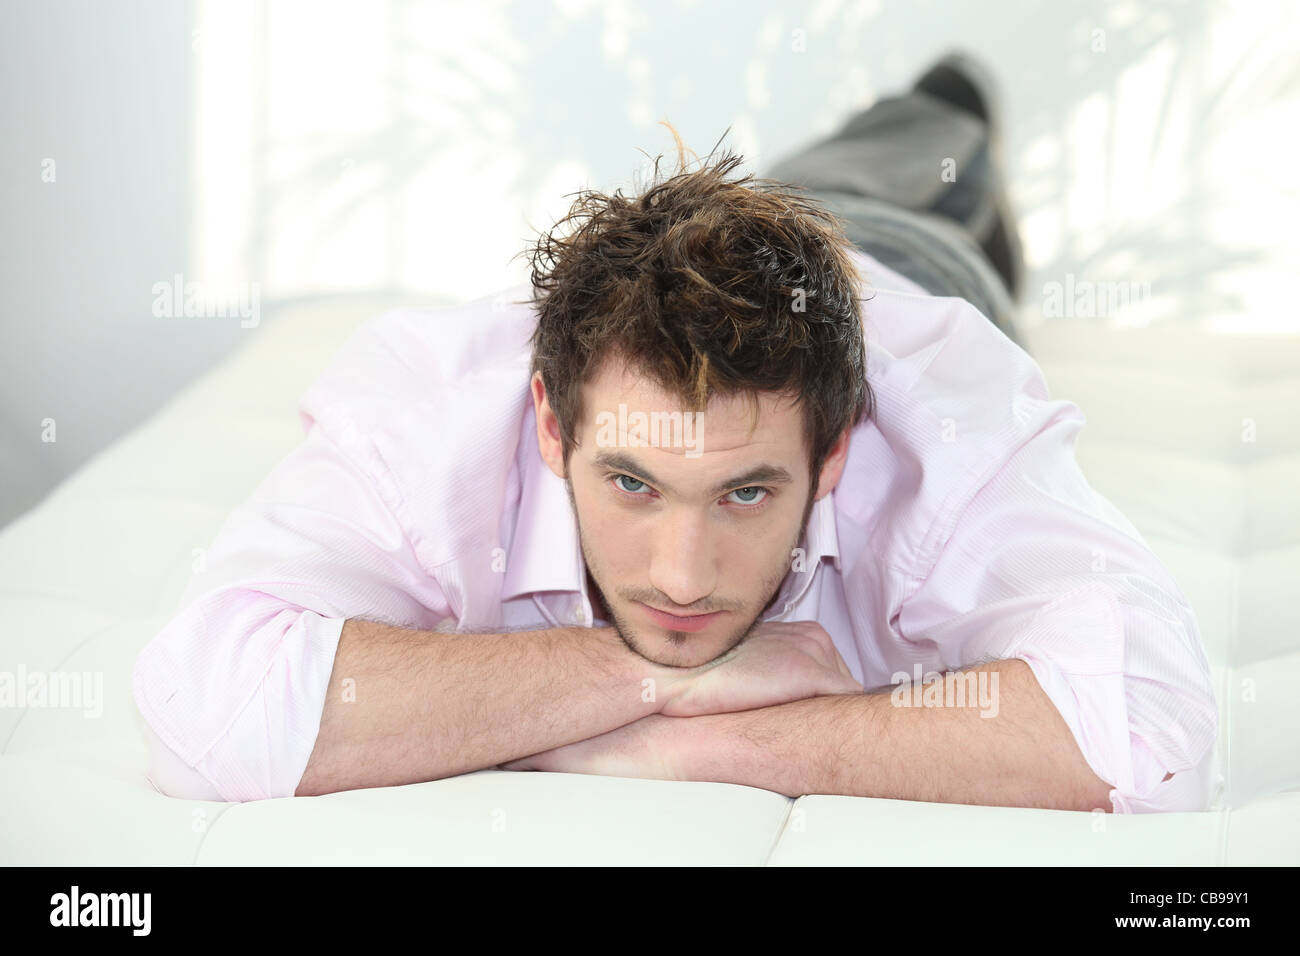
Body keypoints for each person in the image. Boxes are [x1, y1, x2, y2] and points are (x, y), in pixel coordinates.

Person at [133, 52, 1217, 813]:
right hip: (763, 261)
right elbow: (202, 699)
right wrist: (641, 671)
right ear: (550, 423)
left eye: (745, 492)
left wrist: (702, 740)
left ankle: (949, 102)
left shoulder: (939, 415)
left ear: (834, 453)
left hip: (906, 262)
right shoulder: (425, 424)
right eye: (633, 483)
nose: (684, 577)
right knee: (797, 193)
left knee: (922, 164)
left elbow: (1154, 727)